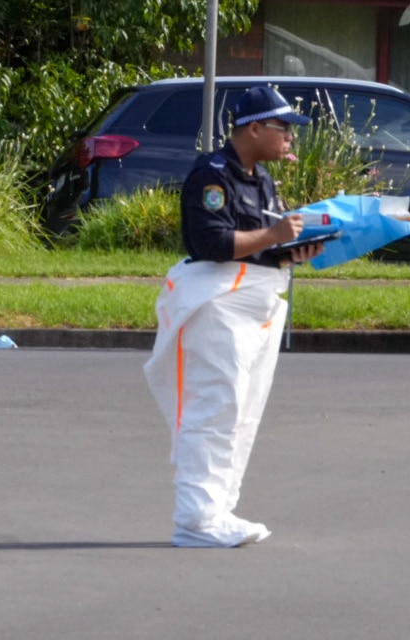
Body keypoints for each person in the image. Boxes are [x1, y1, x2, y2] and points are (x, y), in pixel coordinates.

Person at [142, 85, 324, 548]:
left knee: (242, 412)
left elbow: (267, 245)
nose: (290, 139)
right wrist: (273, 235)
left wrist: (292, 250)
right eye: (283, 129)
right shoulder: (212, 174)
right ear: (255, 127)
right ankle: (195, 519)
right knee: (213, 406)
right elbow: (212, 243)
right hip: (216, 303)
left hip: (255, 304)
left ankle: (218, 508)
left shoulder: (260, 178)